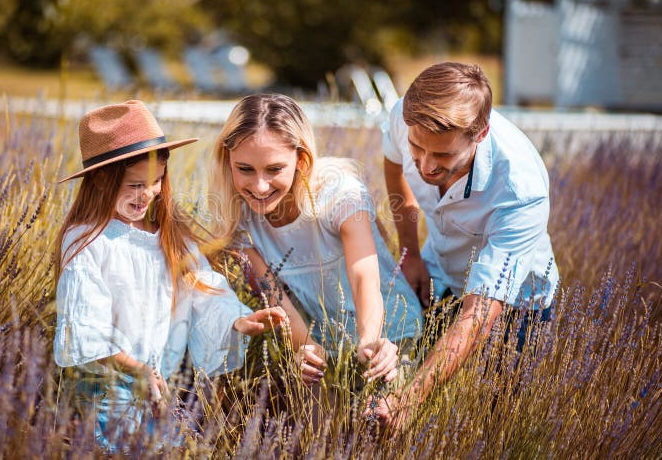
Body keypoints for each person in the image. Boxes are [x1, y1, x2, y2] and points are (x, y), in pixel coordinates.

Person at [53, 100, 286, 450]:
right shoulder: (89, 241)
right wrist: (137, 370)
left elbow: (205, 290)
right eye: (134, 185)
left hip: (162, 385)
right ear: (101, 180)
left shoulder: (169, 236)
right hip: (107, 389)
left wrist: (237, 320)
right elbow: (86, 330)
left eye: (156, 181)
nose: (147, 194)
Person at [374, 62, 559, 427]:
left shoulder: (520, 191)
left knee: (487, 422)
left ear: (481, 133)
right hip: (439, 273)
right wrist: (409, 253)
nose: (426, 166)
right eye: (417, 147)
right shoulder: (406, 114)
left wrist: (410, 400)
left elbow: (479, 313)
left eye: (442, 156)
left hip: (516, 306)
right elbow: (394, 168)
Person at [208, 93, 423, 387]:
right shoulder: (238, 218)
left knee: (382, 417)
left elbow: (364, 278)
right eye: (245, 169)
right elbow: (276, 296)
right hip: (326, 339)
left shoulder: (339, 193)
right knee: (325, 427)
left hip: (387, 332)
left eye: (274, 169)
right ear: (227, 159)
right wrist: (305, 348)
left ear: (301, 159)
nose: (259, 186)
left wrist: (370, 341)